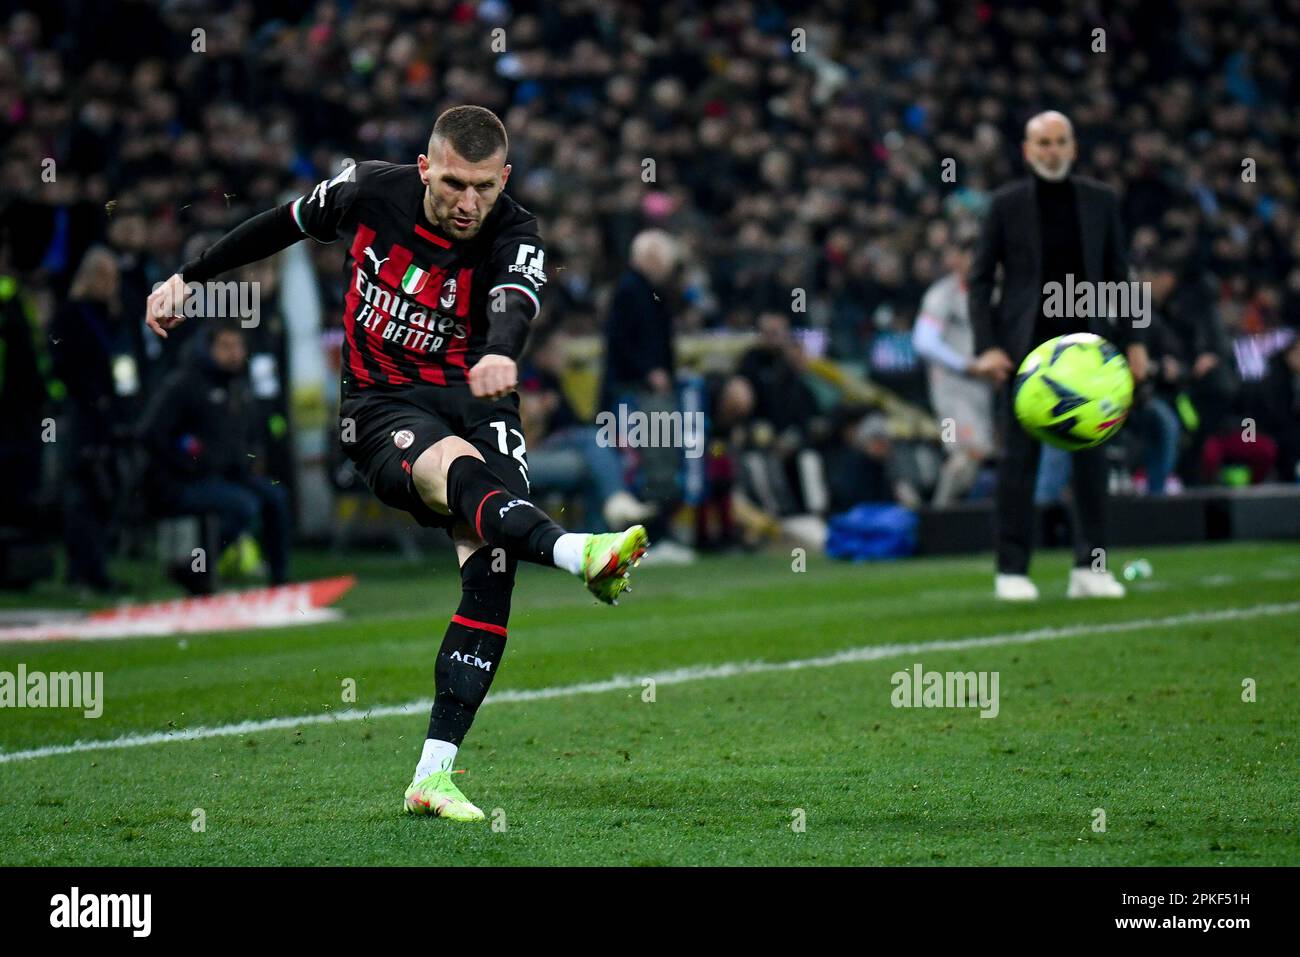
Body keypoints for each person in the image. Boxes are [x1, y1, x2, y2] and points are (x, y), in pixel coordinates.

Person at [145, 106, 648, 823]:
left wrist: (503, 345)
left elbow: (515, 295)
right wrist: (190, 277)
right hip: (380, 403)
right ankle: (576, 550)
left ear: (502, 178)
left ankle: (433, 775)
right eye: (452, 183)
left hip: (479, 395)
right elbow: (280, 223)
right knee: (455, 468)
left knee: (493, 566)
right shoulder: (367, 191)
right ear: (424, 169)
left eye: (482, 186)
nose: (467, 202)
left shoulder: (516, 230)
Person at [969, 110, 1149, 601]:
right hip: (1024, 353)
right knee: (1017, 464)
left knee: (1092, 464)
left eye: (1060, 141)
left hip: (1088, 353)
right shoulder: (1004, 205)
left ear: (1073, 147)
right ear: (1027, 151)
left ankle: (1089, 568)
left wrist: (1134, 340)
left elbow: (1118, 274)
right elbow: (981, 277)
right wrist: (986, 346)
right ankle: (1012, 570)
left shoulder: (1100, 200)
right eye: (1043, 142)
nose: (1052, 150)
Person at [138, 321, 291, 590]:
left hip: (227, 475)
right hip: (181, 481)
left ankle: (280, 581)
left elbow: (246, 435)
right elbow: (150, 434)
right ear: (208, 349)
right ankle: (195, 570)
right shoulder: (183, 385)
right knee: (242, 506)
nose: (234, 353)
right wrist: (188, 461)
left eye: (238, 346)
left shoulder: (239, 386)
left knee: (275, 497)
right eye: (225, 346)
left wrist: (249, 460)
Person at [911, 239, 994, 505]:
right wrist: (965, 364)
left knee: (970, 456)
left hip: (982, 389)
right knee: (965, 451)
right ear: (957, 260)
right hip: (949, 389)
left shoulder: (988, 293)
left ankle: (946, 518)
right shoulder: (941, 295)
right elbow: (923, 341)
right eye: (970, 256)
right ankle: (941, 516)